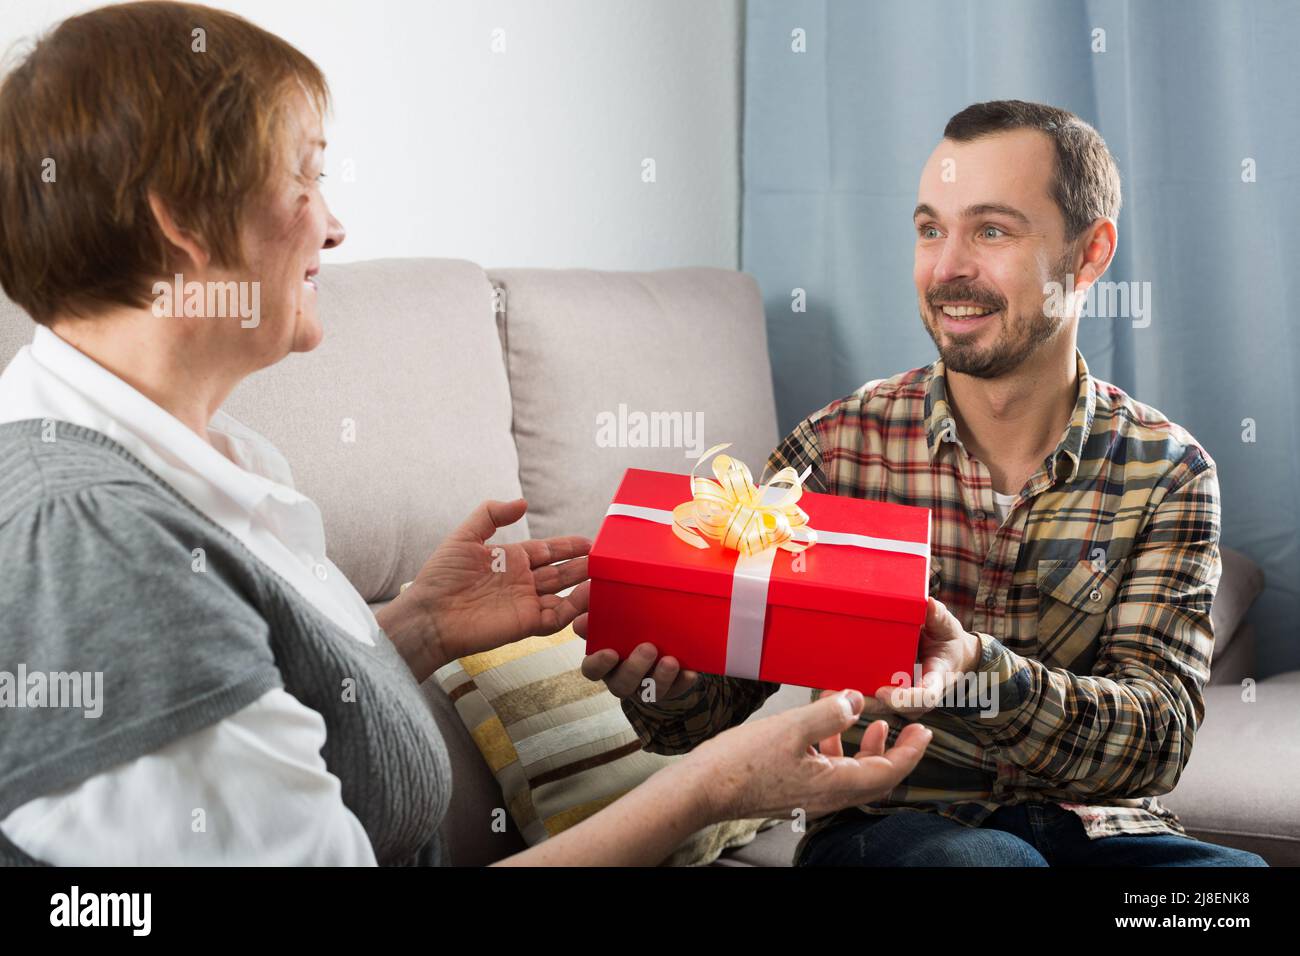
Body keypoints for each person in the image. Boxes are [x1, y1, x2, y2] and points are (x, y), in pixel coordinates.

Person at [0, 0, 933, 866]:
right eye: (307, 176)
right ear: (180, 221)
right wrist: (718, 782)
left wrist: (422, 626)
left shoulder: (204, 456)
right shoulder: (91, 541)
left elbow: (269, 686)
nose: (334, 226)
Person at [584, 100, 1268, 867]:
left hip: (1103, 836)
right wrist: (660, 683)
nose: (947, 269)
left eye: (991, 231)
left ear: (1090, 253)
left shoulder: (1168, 471)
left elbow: (1158, 743)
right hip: (890, 831)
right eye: (930, 229)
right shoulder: (835, 450)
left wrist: (980, 671)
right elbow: (699, 721)